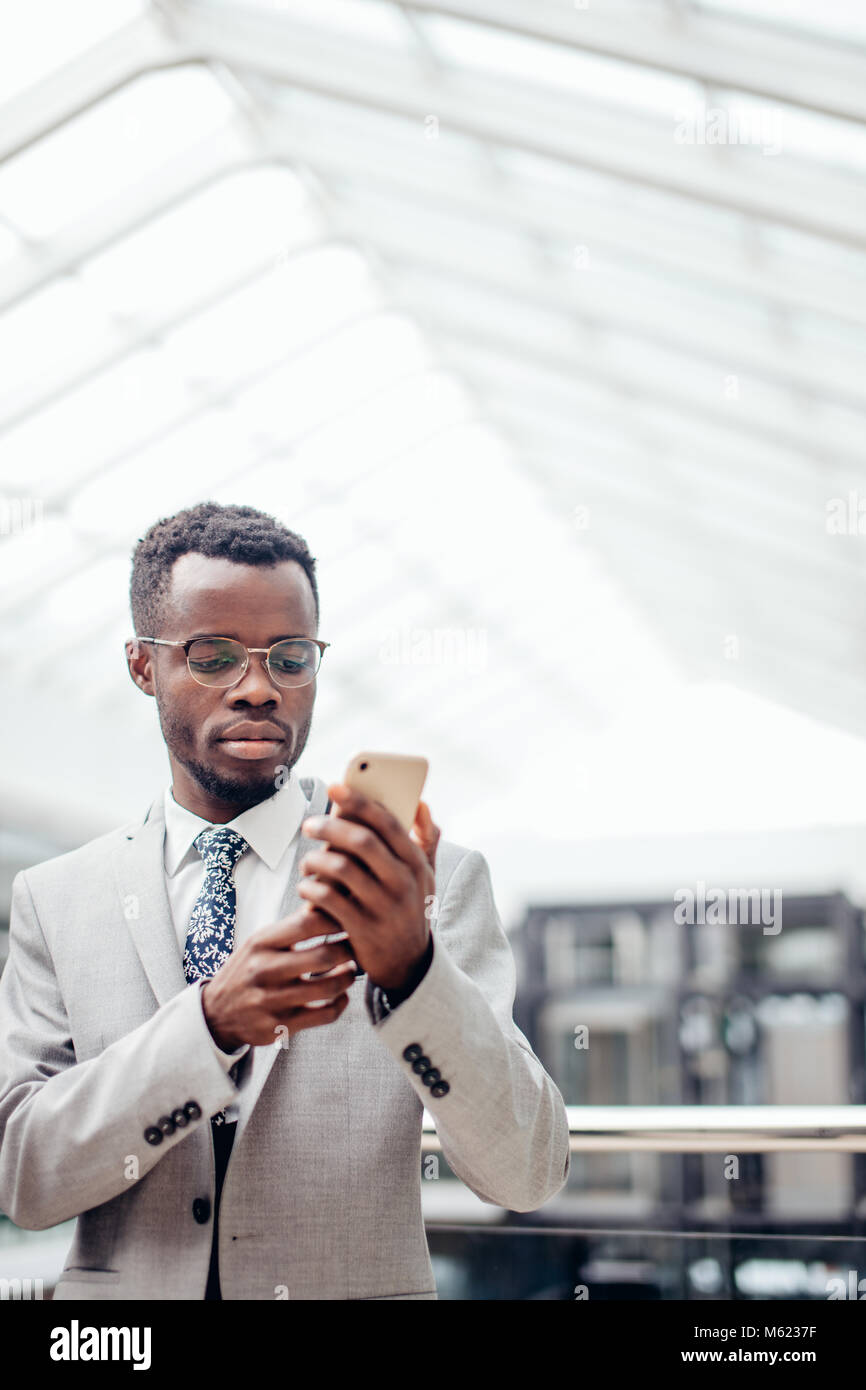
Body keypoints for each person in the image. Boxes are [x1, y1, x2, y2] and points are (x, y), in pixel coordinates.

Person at [0, 500, 570, 1300]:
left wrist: (415, 975)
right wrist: (208, 1025)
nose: (260, 688)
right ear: (142, 666)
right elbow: (25, 1180)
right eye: (214, 656)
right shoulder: (55, 900)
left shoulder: (425, 884)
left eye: (291, 657)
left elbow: (527, 1173)